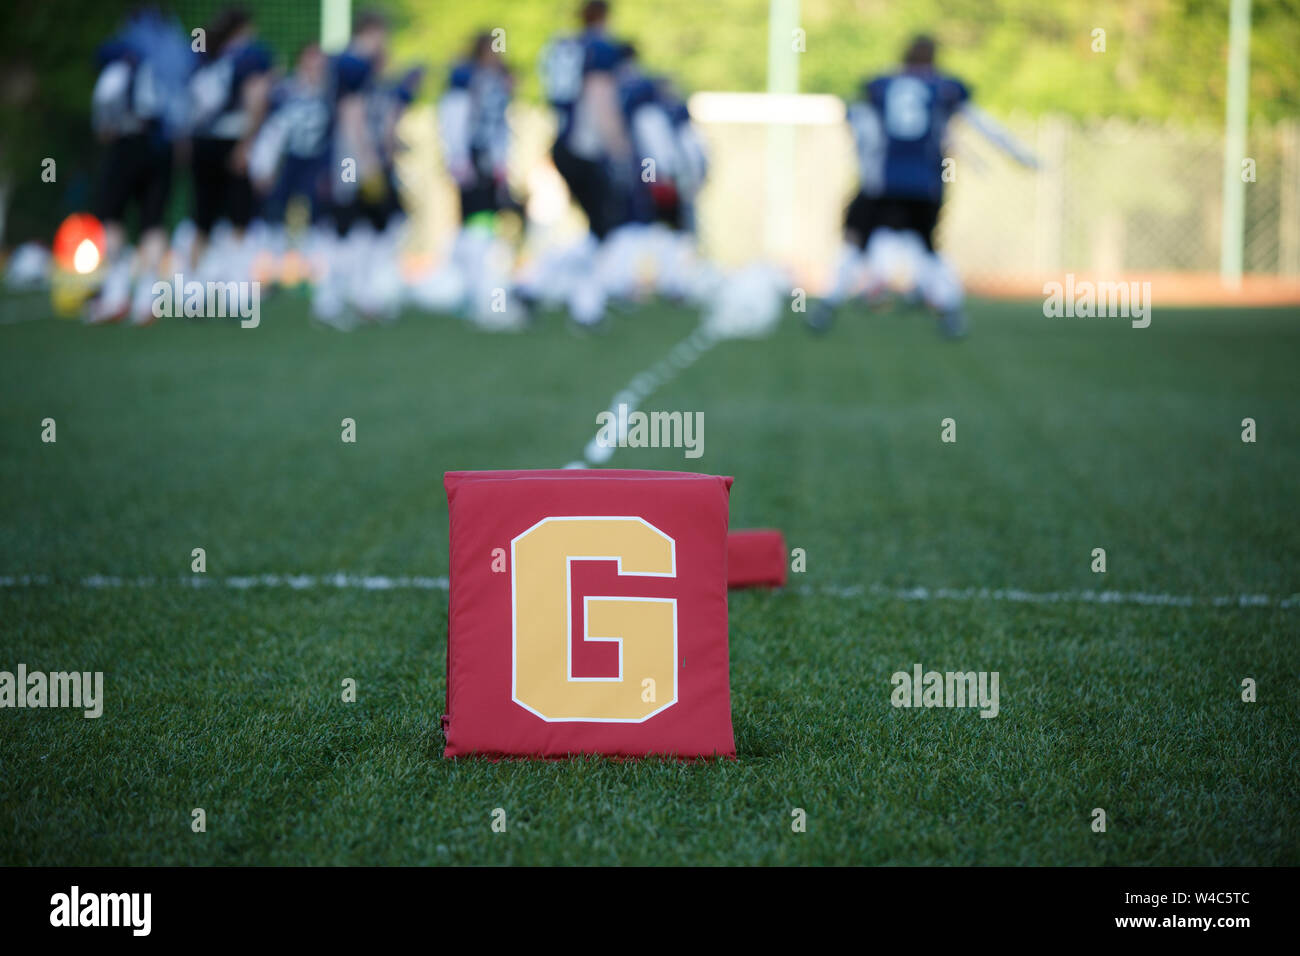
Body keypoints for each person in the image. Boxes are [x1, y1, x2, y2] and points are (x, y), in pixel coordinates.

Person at [808, 35, 1037, 339]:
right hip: (925, 184)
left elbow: (859, 119)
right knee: (929, 248)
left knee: (857, 243)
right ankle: (950, 312)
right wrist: (1019, 155)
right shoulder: (945, 88)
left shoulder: (882, 85)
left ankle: (827, 306)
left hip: (883, 183)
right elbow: (980, 123)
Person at [86, 9, 193, 324]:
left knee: (112, 216)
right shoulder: (176, 50)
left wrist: (104, 127)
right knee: (153, 222)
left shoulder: (126, 50)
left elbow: (109, 92)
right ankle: (147, 297)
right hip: (164, 145)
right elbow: (184, 102)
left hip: (129, 139)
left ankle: (116, 293)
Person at [186, 5, 273, 281]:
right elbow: (255, 101)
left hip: (202, 142)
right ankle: (233, 287)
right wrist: (247, 145)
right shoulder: (249, 56)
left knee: (202, 220)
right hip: (233, 141)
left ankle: (194, 289)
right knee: (239, 219)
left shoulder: (203, 55)